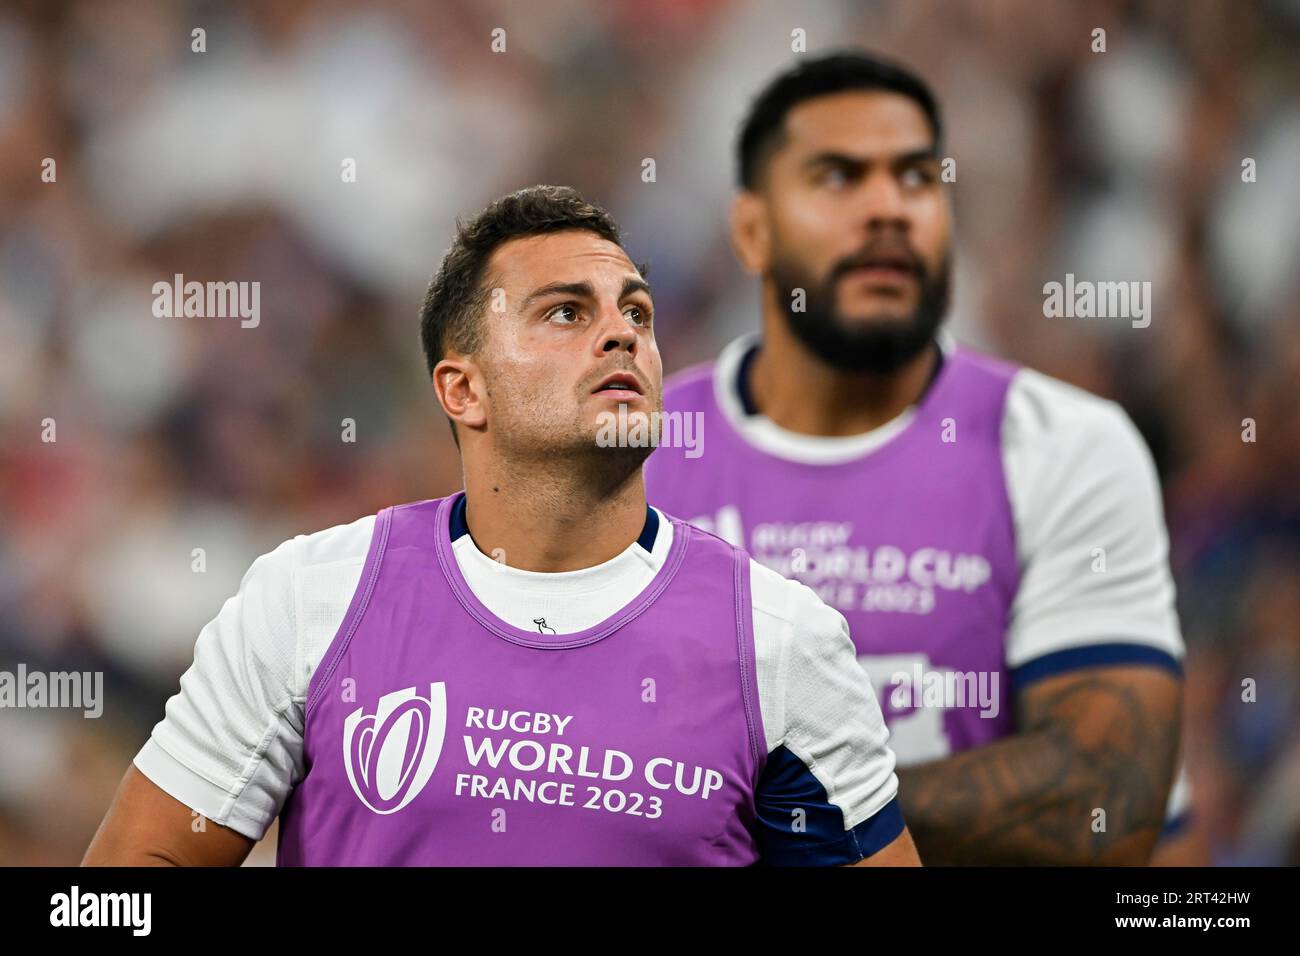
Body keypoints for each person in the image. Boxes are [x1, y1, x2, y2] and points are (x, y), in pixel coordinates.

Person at [83, 185, 920, 867]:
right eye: (566, 312)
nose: (622, 333)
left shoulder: (781, 641)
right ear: (463, 390)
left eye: (637, 312)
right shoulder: (312, 597)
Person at [645, 52, 1195, 865]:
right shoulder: (638, 454)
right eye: (837, 178)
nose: (887, 210)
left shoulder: (1063, 443)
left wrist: (772, 813)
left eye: (915, 179)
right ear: (752, 230)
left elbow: (1104, 800)